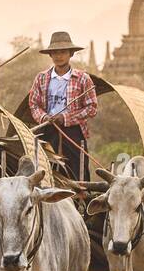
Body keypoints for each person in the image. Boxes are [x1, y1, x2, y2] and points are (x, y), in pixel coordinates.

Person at [27, 31, 99, 181]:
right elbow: (34, 104)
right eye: (55, 52)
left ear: (71, 54)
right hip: (48, 130)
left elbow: (91, 108)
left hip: (73, 133)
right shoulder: (41, 78)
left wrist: (65, 117)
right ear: (50, 55)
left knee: (78, 174)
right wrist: (44, 117)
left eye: (63, 52)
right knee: (47, 171)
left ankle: (81, 201)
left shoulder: (83, 79)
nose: (59, 56)